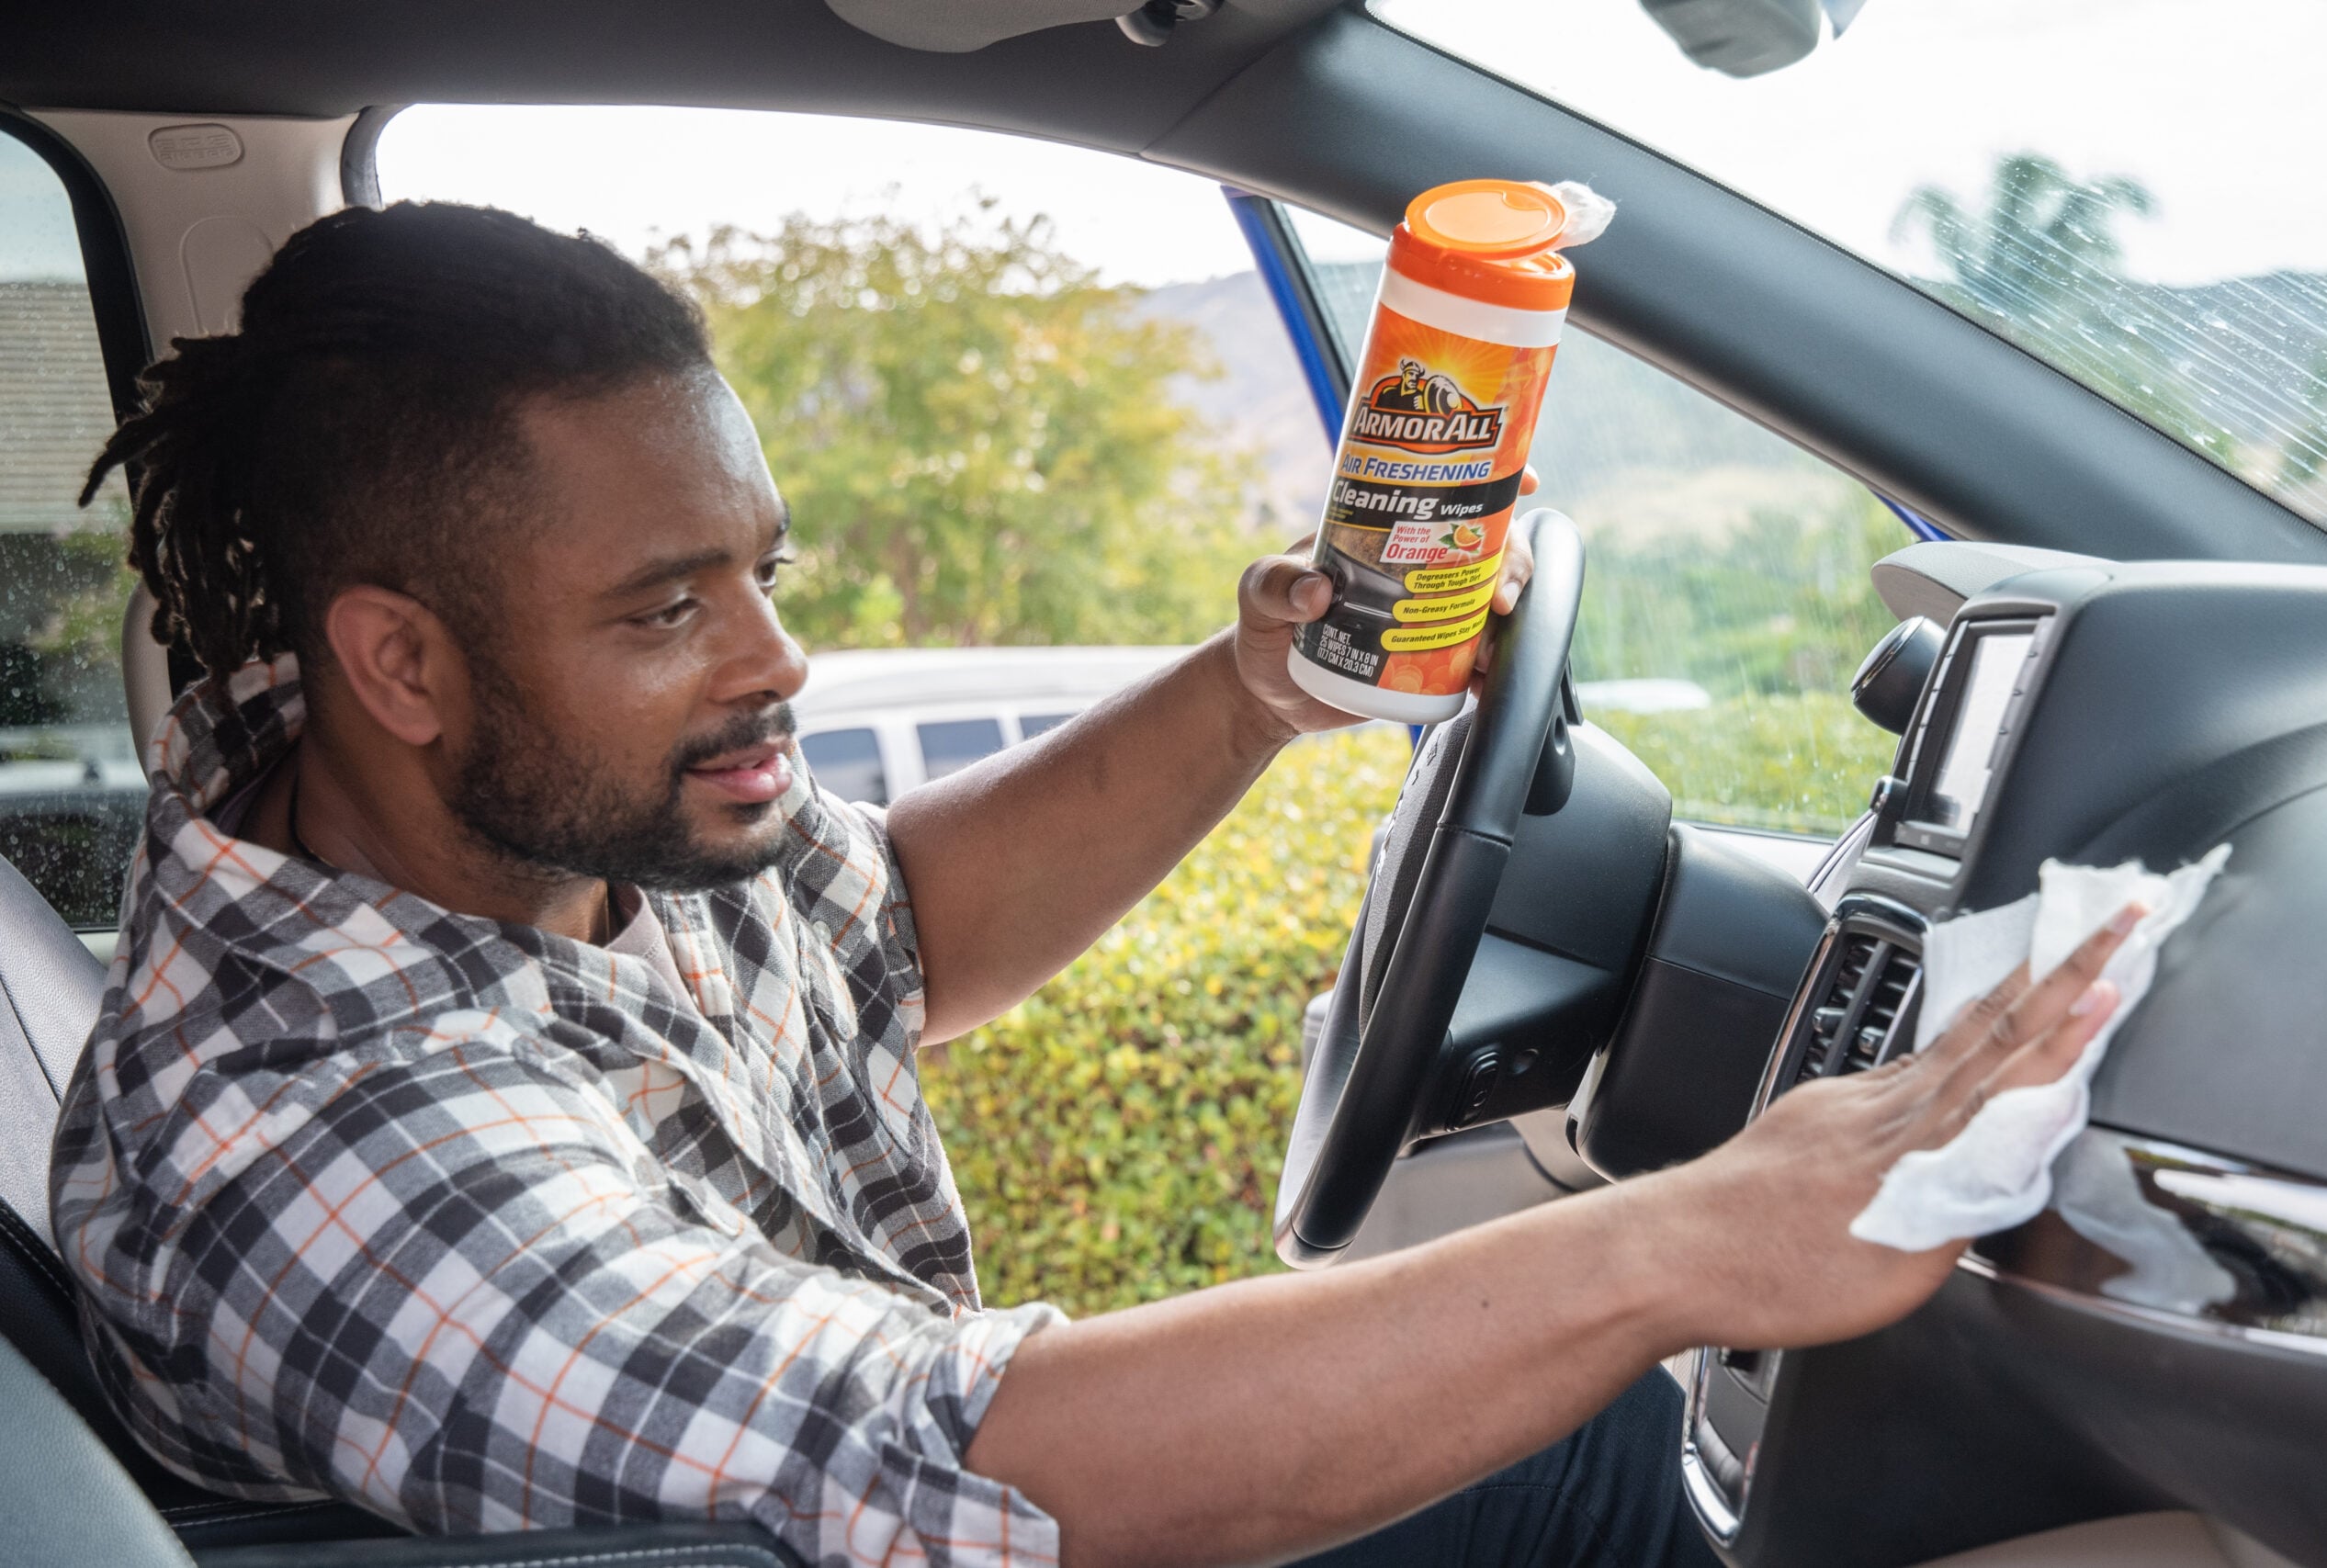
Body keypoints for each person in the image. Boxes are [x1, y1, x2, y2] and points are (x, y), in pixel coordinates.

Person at [52, 202, 2132, 1568]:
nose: (775, 656)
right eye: (667, 604)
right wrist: (1695, 1240)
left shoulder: (478, 801)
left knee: (1609, 1453)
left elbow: (882, 934)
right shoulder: (329, 1130)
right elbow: (956, 1454)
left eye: (757, 569)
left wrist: (1253, 692)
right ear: (398, 656)